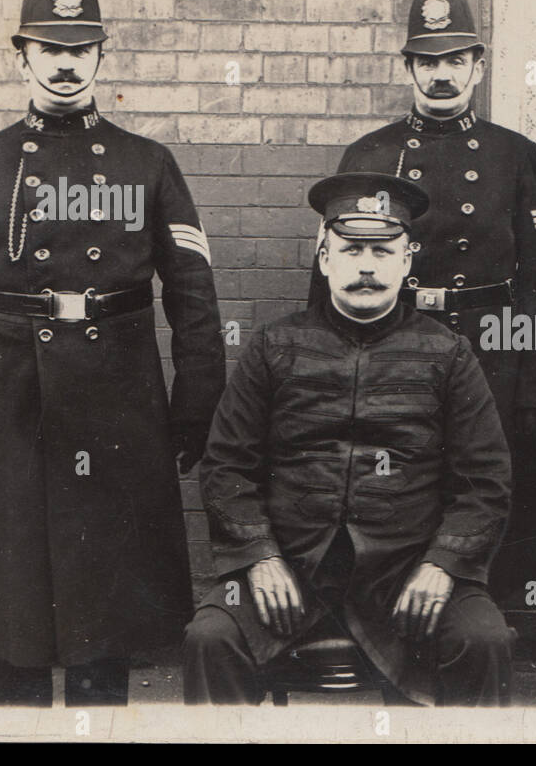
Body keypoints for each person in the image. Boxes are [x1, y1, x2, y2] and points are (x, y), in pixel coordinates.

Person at [0, 0, 225, 706]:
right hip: (9, 401)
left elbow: (193, 294)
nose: (64, 63)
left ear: (101, 57)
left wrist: (196, 400)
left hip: (118, 399)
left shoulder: (147, 164)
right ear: (21, 55)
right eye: (49, 47)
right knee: (12, 625)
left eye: (79, 48)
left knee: (101, 626)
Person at [185, 173, 514, 706]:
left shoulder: (448, 354)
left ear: (407, 261)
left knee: (484, 641)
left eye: (383, 251)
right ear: (324, 257)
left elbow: (486, 483)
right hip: (291, 568)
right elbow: (226, 467)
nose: (366, 266)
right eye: (351, 249)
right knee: (210, 638)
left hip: (405, 572)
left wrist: (441, 565)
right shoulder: (276, 346)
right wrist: (261, 557)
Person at [305, 0, 536, 598]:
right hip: (393, 345)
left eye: (456, 60)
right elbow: (329, 274)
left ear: (478, 65)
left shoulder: (515, 155)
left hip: (492, 351)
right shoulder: (370, 154)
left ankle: (486, 636)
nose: (442, 75)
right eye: (428, 61)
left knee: (490, 492)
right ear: (408, 67)